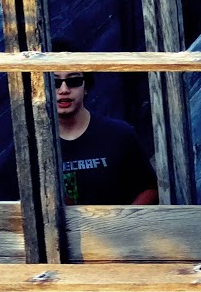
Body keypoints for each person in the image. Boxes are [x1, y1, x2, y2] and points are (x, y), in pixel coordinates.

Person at [50, 53, 157, 206]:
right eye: (54, 82)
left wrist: (123, 226)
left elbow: (149, 189)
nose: (64, 89)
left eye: (74, 81)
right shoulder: (33, 147)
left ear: (86, 87)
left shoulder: (119, 135)